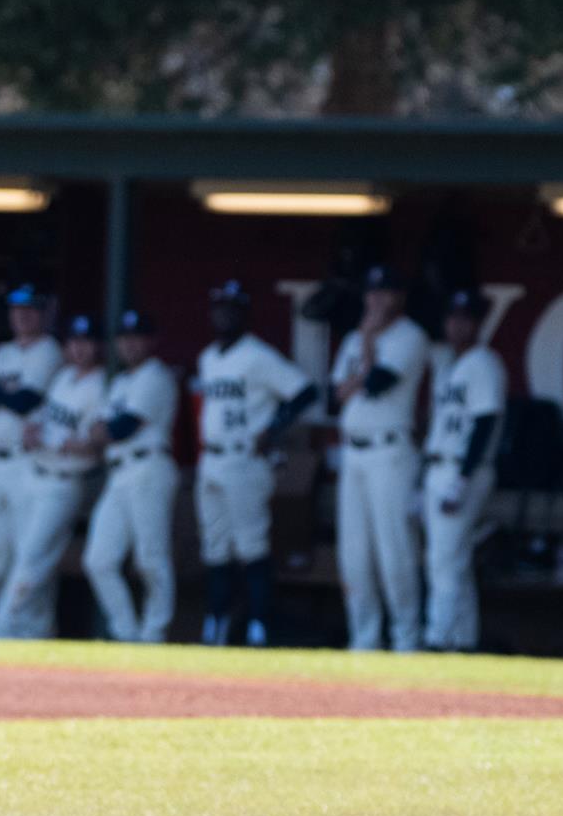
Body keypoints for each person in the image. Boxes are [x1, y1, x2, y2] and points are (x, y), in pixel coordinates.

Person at [194, 280, 316, 647]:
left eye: (232, 307)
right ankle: (214, 626)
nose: (224, 313)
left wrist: (274, 428)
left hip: (245, 458)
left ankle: (258, 629)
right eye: (219, 306)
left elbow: (305, 391)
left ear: (244, 313)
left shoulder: (258, 355)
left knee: (252, 548)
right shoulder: (208, 357)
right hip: (211, 458)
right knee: (215, 548)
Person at [332, 265, 430, 651]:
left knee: (395, 552)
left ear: (399, 297)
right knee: (354, 555)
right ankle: (364, 639)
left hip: (391, 452)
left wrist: (370, 342)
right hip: (353, 453)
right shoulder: (352, 339)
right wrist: (363, 349)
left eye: (384, 292)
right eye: (371, 292)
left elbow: (373, 385)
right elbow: (333, 394)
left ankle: (407, 639)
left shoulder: (410, 336)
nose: (375, 299)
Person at [0, 312, 105, 639]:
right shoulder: (64, 377)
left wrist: (56, 441)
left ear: (98, 348)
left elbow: (91, 446)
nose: (81, 349)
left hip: (65, 482)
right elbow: (43, 415)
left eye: (88, 343)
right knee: (24, 556)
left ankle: (1, 626)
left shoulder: (101, 386)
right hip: (35, 473)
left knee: (31, 556)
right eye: (76, 342)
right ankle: (36, 631)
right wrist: (32, 429)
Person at [0, 285, 63, 637]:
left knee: (29, 553)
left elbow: (25, 400)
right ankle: (7, 622)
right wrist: (2, 392)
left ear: (42, 314)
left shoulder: (48, 350)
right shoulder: (2, 353)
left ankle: (36, 630)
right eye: (16, 310)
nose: (22, 316)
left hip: (29, 463)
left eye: (30, 310)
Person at [83, 309, 181, 644]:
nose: (129, 344)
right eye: (124, 338)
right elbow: (96, 429)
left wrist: (103, 432)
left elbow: (121, 428)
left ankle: (154, 632)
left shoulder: (156, 375)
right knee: (99, 559)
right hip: (119, 473)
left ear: (150, 341)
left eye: (136, 336)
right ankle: (126, 632)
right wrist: (102, 432)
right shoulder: (121, 382)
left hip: (149, 467)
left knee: (150, 557)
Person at [422, 289, 507, 652]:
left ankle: (438, 638)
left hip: (464, 469)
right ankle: (464, 639)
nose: (458, 325)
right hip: (440, 465)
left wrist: (462, 479)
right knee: (452, 559)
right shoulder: (448, 364)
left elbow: (485, 423)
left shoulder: (484, 362)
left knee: (443, 558)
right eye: (453, 317)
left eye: (466, 318)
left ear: (478, 323)